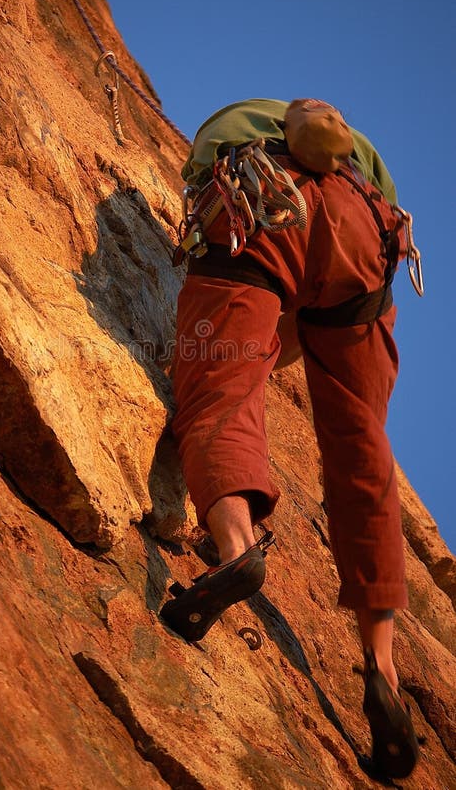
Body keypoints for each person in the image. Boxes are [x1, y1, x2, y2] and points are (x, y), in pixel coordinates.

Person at [160, 99, 420, 780]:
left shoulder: (234, 137)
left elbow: (255, 330)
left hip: (264, 203)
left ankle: (238, 549)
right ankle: (382, 669)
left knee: (220, 385)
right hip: (365, 242)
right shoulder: (362, 174)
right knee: (363, 451)